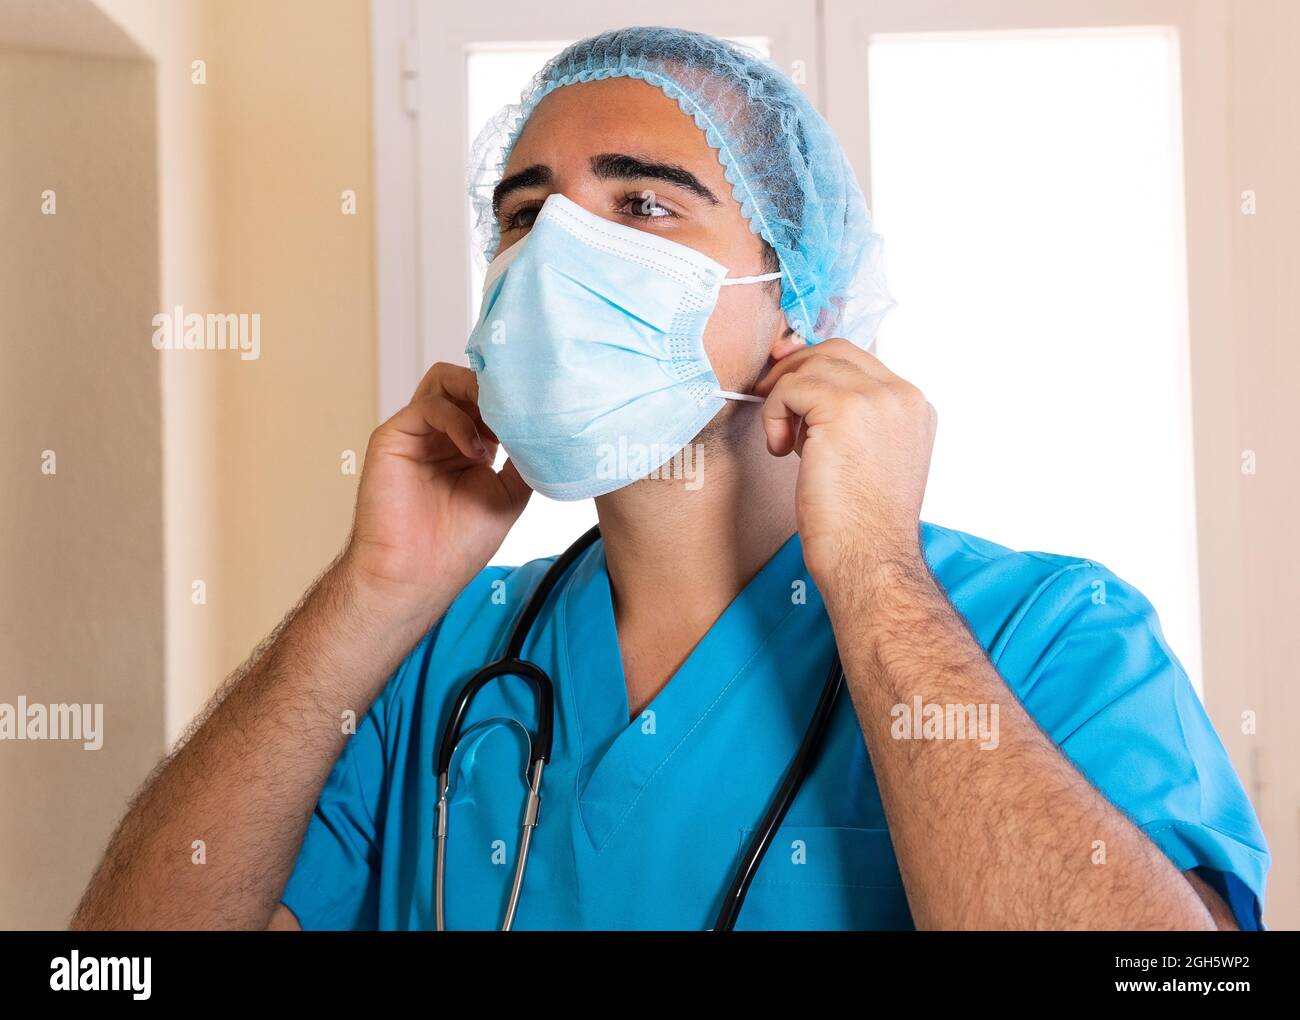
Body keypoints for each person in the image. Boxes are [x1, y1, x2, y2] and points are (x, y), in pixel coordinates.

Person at [73, 26, 1267, 931]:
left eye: (640, 205)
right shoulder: (430, 661)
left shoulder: (1047, 634)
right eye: (524, 215)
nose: (555, 260)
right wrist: (372, 590)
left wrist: (871, 575)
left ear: (798, 298)